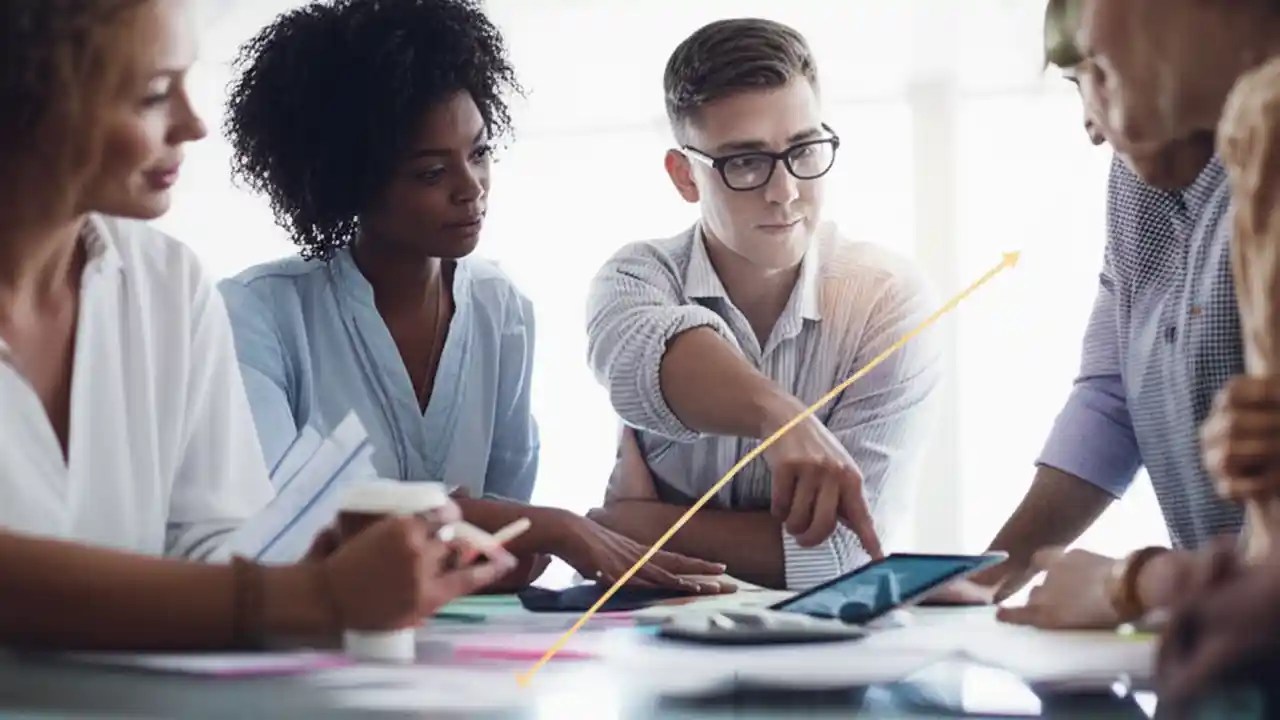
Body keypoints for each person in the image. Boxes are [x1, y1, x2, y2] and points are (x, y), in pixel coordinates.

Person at [0, 0, 515, 650]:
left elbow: (212, 539)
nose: (193, 124)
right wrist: (306, 597)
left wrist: (311, 565)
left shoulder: (168, 286)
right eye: (154, 94)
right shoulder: (254, 307)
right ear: (23, 97)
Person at [218, 0, 732, 595]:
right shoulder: (257, 315)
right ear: (348, 183)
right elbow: (289, 522)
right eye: (431, 173)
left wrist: (504, 530)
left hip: (463, 656)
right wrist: (547, 528)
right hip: (310, 647)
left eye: (480, 153)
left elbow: (508, 545)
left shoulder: (501, 308)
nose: (472, 189)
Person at [584, 18, 942, 590]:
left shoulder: (886, 300)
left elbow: (845, 557)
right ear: (685, 177)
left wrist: (636, 526)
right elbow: (646, 365)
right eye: (745, 162)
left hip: (824, 653)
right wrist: (783, 420)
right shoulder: (634, 278)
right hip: (658, 648)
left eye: (803, 149)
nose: (786, 191)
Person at [991, 0, 1280, 630]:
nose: (1093, 127)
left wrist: (1133, 584)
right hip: (1228, 620)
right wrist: (994, 570)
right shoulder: (1141, 177)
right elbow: (1112, 394)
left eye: (1098, 68)